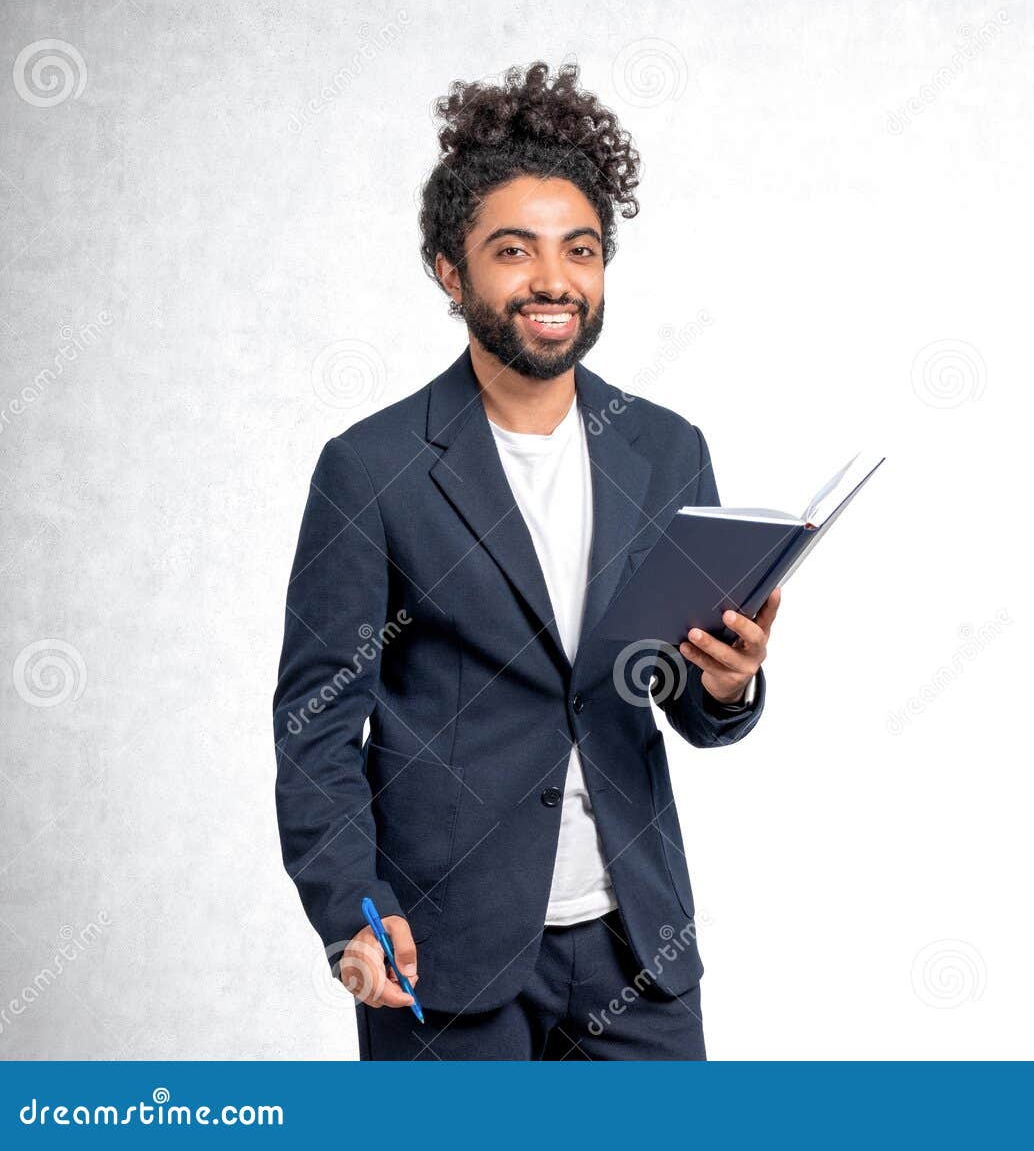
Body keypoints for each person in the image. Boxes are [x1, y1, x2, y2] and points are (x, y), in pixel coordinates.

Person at [271, 61, 780, 1060]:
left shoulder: (666, 451)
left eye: (580, 250)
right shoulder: (371, 469)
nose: (554, 280)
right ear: (449, 269)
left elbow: (679, 697)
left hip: (639, 948)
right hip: (440, 955)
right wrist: (351, 913)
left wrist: (729, 685)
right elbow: (316, 725)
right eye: (515, 250)